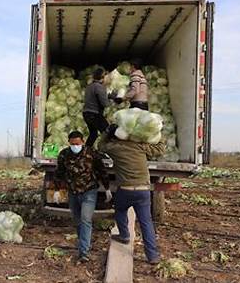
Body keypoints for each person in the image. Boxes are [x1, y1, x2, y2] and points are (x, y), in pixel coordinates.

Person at [98, 125, 165, 265]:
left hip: (125, 190)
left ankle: (124, 235)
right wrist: (157, 132)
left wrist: (106, 132)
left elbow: (101, 145)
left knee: (120, 210)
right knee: (146, 222)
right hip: (143, 190)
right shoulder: (139, 146)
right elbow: (160, 149)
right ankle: (152, 256)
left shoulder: (114, 147)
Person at [54, 130, 112, 262]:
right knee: (78, 221)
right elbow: (59, 172)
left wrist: (107, 188)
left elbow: (101, 170)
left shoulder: (91, 153)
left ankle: (84, 252)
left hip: (89, 191)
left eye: (77, 143)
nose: (75, 146)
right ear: (69, 143)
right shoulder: (64, 154)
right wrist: (57, 190)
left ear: (83, 141)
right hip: (73, 192)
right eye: (72, 144)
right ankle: (82, 244)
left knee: (86, 219)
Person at [83, 67, 117, 148]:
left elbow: (95, 96)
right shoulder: (99, 87)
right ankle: (108, 152)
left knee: (93, 134)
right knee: (108, 133)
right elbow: (105, 103)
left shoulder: (90, 86)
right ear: (102, 77)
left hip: (86, 114)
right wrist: (113, 101)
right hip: (94, 114)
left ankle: (86, 151)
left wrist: (108, 96)